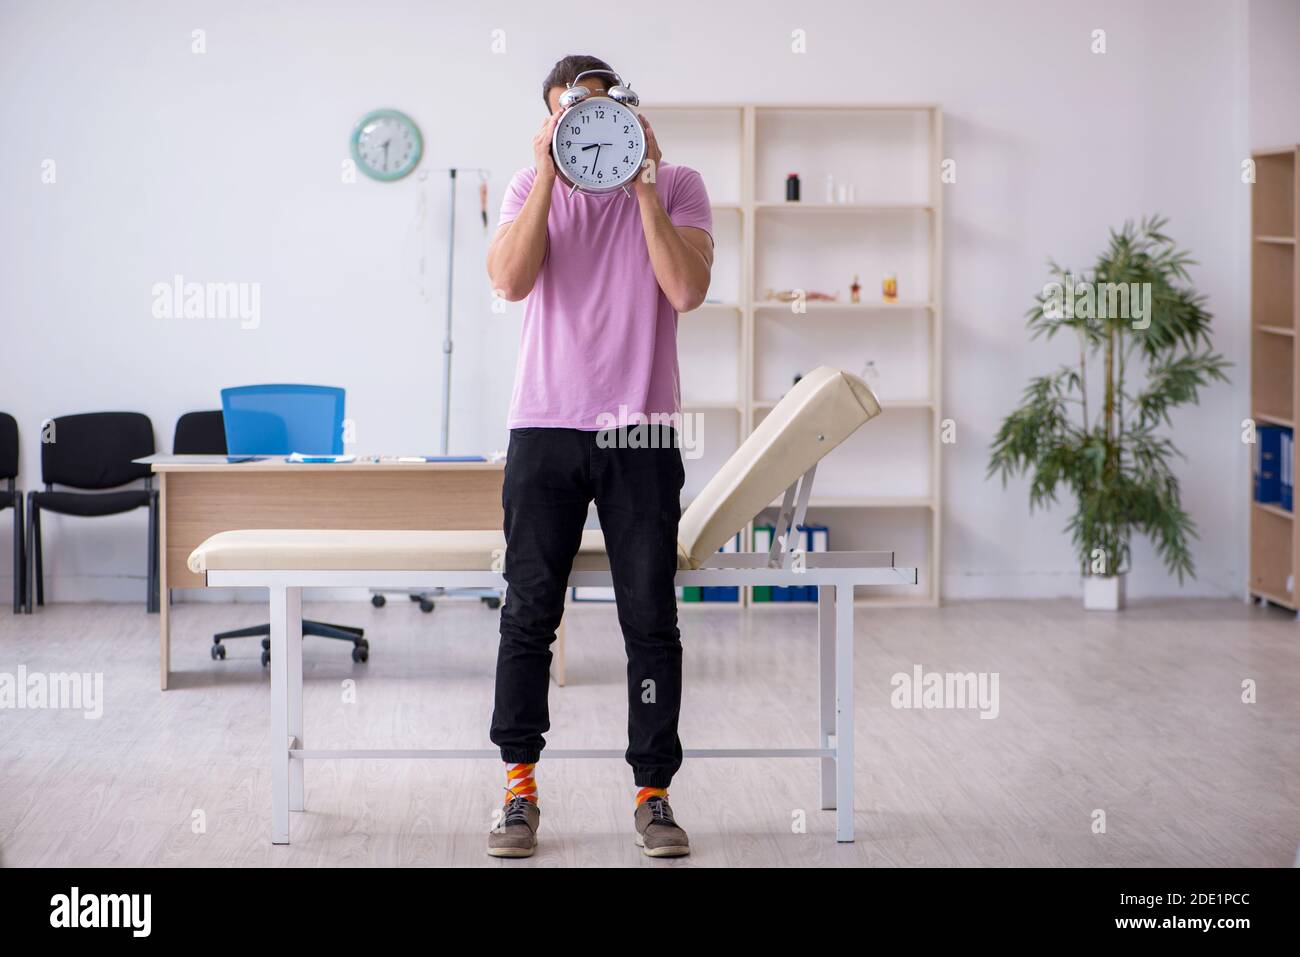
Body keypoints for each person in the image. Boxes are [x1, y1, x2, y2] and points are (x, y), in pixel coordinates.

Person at [484, 54, 714, 858]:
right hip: (545, 425)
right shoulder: (527, 189)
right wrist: (548, 173)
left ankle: (654, 793)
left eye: (598, 111)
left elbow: (685, 290)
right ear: (548, 126)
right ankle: (517, 790)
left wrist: (643, 180)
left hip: (641, 430)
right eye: (566, 119)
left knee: (650, 620)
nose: (587, 129)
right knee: (527, 614)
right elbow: (509, 282)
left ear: (626, 109)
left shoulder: (678, 184)